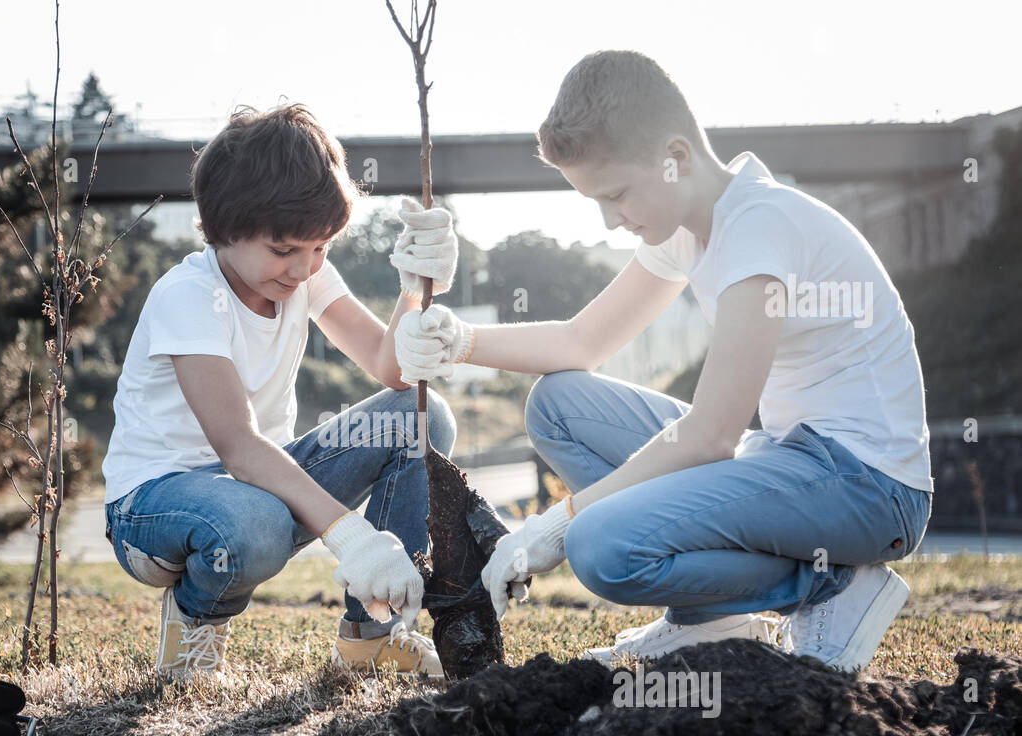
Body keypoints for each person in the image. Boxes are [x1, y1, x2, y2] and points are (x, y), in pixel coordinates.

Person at [394, 51, 933, 671]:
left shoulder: (758, 229)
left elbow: (709, 437)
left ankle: (833, 586)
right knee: (559, 404)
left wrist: (557, 523)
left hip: (870, 488)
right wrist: (459, 341)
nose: (608, 220)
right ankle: (710, 619)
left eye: (617, 194)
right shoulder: (689, 226)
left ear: (673, 155)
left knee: (600, 547)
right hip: (794, 459)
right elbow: (579, 344)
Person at [102, 103, 460, 681]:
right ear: (226, 228)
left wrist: (415, 289)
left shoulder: (306, 272)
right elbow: (239, 446)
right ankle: (195, 616)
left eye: (320, 247)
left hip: (263, 490)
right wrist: (354, 538)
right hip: (156, 506)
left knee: (420, 417)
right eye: (284, 250)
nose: (303, 269)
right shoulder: (190, 295)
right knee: (254, 524)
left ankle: (374, 633)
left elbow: (388, 367)